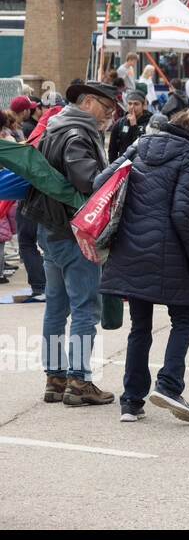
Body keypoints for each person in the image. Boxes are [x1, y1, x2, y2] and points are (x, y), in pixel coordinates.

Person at [98, 107, 189, 422]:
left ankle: (131, 402)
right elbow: (181, 213)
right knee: (183, 320)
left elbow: (101, 181)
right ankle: (169, 385)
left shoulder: (140, 145)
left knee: (140, 327)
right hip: (170, 252)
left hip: (131, 248)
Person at [23, 82, 121, 406]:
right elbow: (88, 180)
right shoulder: (78, 134)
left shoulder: (55, 126)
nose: (110, 115)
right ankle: (79, 381)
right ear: (88, 102)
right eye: (107, 108)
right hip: (73, 231)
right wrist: (121, 167)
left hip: (49, 228)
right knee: (83, 308)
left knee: (55, 306)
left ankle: (55, 377)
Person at [106, 90, 149, 163]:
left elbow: (143, 146)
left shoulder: (149, 122)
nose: (132, 107)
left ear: (144, 105)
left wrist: (134, 126)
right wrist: (113, 167)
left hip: (141, 165)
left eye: (136, 104)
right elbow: (112, 149)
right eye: (130, 104)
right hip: (123, 165)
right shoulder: (120, 123)